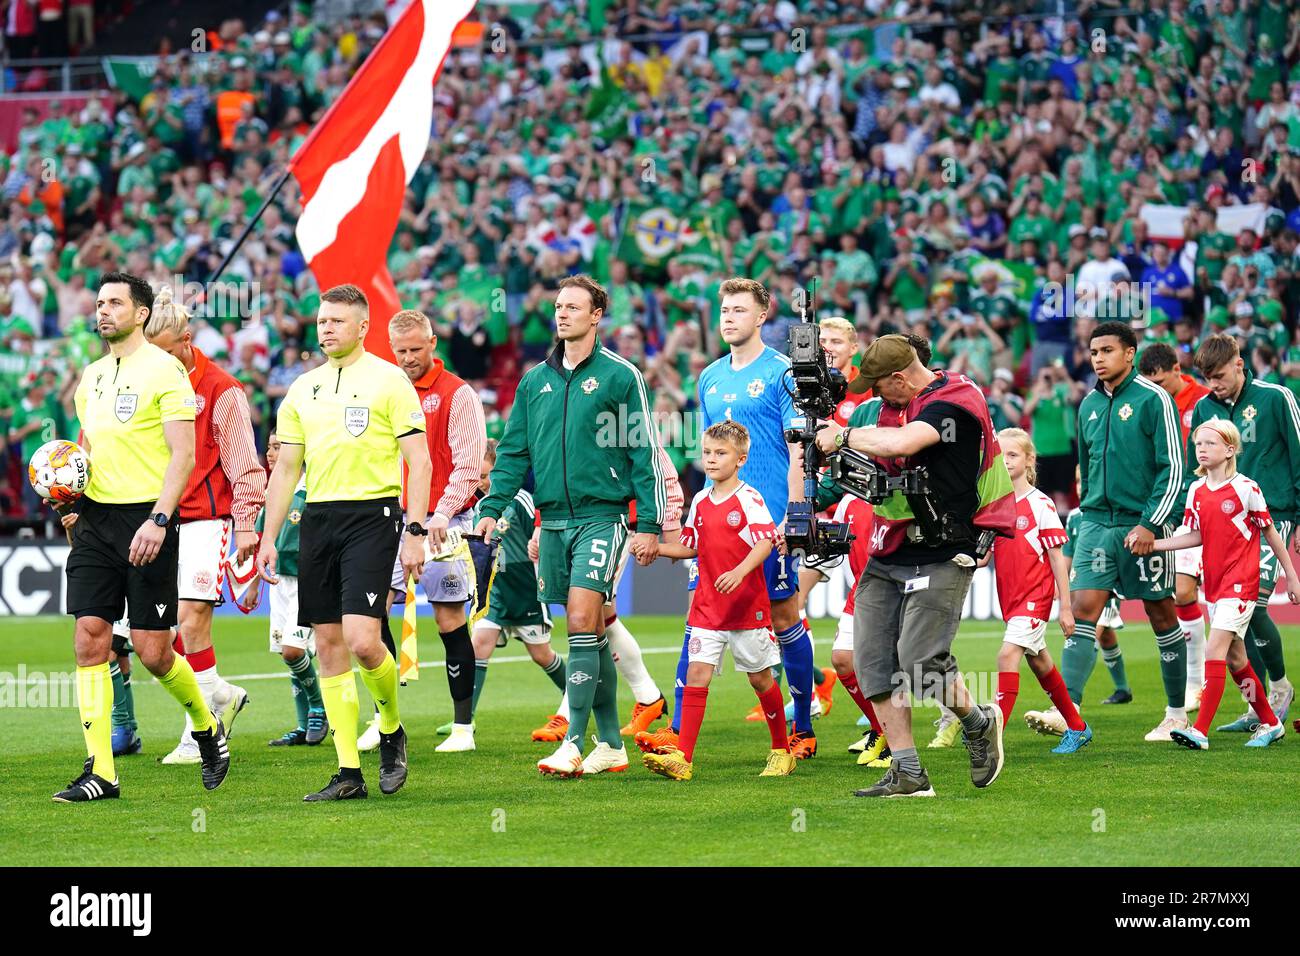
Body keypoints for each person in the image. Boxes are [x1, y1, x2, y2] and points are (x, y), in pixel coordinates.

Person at [474, 274, 666, 777]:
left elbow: (641, 452)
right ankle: (612, 745)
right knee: (590, 630)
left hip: (603, 516)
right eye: (558, 306)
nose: (561, 314)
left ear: (596, 315)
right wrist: (493, 506)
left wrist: (649, 522)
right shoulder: (534, 381)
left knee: (582, 620)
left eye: (573, 307)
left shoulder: (621, 376)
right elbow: (513, 450)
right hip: (553, 519)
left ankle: (574, 743)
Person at [815, 334, 1016, 798]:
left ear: (901, 378)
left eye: (880, 385)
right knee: (870, 663)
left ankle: (978, 722)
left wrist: (843, 435)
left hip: (948, 545)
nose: (874, 394)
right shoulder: (892, 407)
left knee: (922, 661)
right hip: (891, 546)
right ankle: (908, 772)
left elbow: (908, 440)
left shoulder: (956, 400)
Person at [54, 271, 229, 802]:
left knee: (154, 652)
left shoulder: (167, 373)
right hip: (95, 519)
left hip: (147, 520)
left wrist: (159, 518)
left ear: (142, 312)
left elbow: (184, 455)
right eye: (100, 302)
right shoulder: (91, 376)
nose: (103, 310)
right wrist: (66, 488)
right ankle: (102, 772)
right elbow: (89, 449)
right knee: (90, 636)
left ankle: (205, 724)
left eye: (115, 303)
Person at [258, 284, 433, 802]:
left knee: (362, 639)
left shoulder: (389, 381)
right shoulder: (301, 389)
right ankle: (347, 771)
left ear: (362, 326)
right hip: (317, 520)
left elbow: (419, 462)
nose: (326, 329)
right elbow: (287, 468)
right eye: (321, 321)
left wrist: (416, 530)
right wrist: (269, 538)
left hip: (373, 517)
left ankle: (391, 727)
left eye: (336, 321)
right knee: (328, 645)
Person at [639, 278, 819, 760]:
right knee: (701, 612)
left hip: (770, 521)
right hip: (720, 521)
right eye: (723, 309)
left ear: (762, 317)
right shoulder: (711, 376)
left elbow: (799, 448)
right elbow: (712, 449)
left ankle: (802, 728)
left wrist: (794, 515)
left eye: (739, 310)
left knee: (784, 618)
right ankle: (677, 731)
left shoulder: (783, 373)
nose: (728, 318)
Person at [142, 285, 265, 766]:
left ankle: (200, 734)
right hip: (159, 518)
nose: (158, 362)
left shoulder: (221, 389)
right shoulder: (150, 380)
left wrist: (245, 525)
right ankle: (220, 695)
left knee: (191, 619)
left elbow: (243, 464)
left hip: (206, 519)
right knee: (156, 633)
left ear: (187, 339)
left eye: (166, 351)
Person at [642, 421, 796, 781]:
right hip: (708, 606)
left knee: (760, 680)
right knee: (697, 674)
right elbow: (691, 545)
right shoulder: (700, 500)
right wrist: (658, 549)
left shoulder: (749, 499)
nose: (711, 460)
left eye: (720, 453)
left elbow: (765, 541)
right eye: (707, 452)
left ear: (740, 459)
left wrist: (740, 572)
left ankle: (781, 750)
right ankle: (683, 757)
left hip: (746, 606)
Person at [1059, 322, 1188, 742]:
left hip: (1143, 523)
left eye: (1107, 350)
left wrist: (1151, 523)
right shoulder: (1088, 406)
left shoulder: (1155, 401)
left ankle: (1175, 714)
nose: (1098, 358)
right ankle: (1070, 715)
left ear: (1130, 354)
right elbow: (1086, 464)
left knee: (1160, 611)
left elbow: (1174, 467)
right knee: (1083, 608)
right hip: (1097, 523)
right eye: (1093, 351)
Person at [371, 309, 486, 755]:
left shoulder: (457, 395)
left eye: (416, 349)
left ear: (433, 343)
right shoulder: (384, 391)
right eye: (400, 351)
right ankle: (384, 721)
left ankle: (463, 727)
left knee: (448, 618)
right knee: (371, 611)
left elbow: (468, 465)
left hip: (445, 522)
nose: (408, 358)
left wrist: (439, 514)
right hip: (389, 519)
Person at [1154, 418, 1297, 749]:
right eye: (1198, 444)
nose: (1201, 449)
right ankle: (1272, 723)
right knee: (1235, 660)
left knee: (1213, 648)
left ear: (1230, 449)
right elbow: (1196, 535)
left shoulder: (1247, 488)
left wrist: (1290, 574)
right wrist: (1156, 544)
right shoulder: (1197, 490)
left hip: (1242, 583)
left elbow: (1270, 534)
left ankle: (1199, 731)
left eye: (1210, 444)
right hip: (1215, 584)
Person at [1184, 335, 1300, 731]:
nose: (1213, 385)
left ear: (1239, 362)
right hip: (1223, 528)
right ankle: (1258, 708)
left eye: (1218, 376)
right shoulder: (1204, 408)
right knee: (1233, 623)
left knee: (1256, 603)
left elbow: (1299, 452)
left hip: (1274, 512)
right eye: (1207, 378)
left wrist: (1299, 517)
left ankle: (1281, 687)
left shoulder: (1276, 397)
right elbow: (1194, 469)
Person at [987, 429, 1091, 754]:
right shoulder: (996, 504)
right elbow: (985, 553)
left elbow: (1058, 559)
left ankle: (990, 734)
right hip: (1011, 597)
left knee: (1007, 655)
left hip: (1035, 596)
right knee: (1041, 663)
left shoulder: (1041, 504)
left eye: (1013, 455)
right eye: (1000, 455)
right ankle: (1077, 726)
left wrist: (1065, 607)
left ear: (1029, 459)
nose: (1006, 461)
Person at [468, 441, 569, 731]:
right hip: (496, 590)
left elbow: (543, 529)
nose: (481, 482)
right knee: (479, 646)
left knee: (541, 655)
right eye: (478, 476)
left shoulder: (523, 500)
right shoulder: (480, 506)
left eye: (485, 475)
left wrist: (537, 541)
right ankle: (465, 720)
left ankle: (573, 696)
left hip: (526, 590)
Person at [1138, 342, 1211, 709]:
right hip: (1175, 512)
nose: (1159, 389)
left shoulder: (1204, 402)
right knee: (1182, 594)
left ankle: (1265, 693)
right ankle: (1195, 682)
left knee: (1241, 610)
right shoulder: (1150, 403)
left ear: (1177, 369)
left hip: (1208, 506)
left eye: (1164, 382)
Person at [258, 430, 327, 747]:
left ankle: (318, 709)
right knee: (288, 652)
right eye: (269, 448)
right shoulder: (274, 490)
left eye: (277, 447)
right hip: (279, 581)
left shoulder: (312, 487)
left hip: (305, 581)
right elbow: (263, 539)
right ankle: (302, 724)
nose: (271, 454)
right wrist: (250, 586)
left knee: (293, 650)